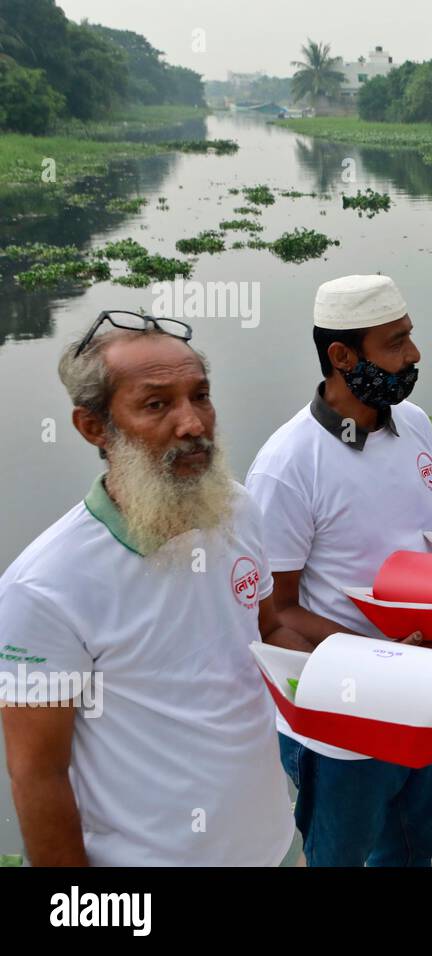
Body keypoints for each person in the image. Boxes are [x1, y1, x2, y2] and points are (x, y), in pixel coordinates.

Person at [0, 313, 304, 866]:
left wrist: (368, 681)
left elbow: (268, 628)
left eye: (201, 396)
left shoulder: (235, 507)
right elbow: (37, 776)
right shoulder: (43, 586)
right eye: (157, 404)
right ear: (94, 428)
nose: (192, 424)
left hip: (270, 845)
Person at [245, 275, 432, 867]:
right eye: (395, 343)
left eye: (409, 336)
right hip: (340, 718)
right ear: (341, 355)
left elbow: (426, 547)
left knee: (413, 850)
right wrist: (376, 657)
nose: (413, 355)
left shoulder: (412, 425)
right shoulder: (288, 465)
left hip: (421, 688)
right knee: (341, 857)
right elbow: (274, 612)